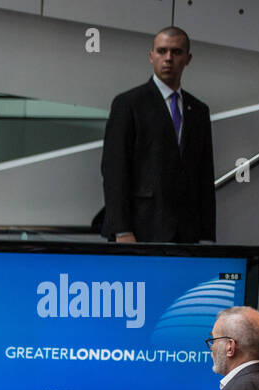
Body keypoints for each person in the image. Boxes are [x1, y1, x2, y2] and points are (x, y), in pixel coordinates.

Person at [100, 26, 214, 244]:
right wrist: (122, 229)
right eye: (162, 51)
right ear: (151, 57)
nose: (168, 58)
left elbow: (204, 174)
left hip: (187, 233)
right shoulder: (129, 103)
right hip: (141, 228)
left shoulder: (198, 110)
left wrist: (207, 233)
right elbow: (115, 170)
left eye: (176, 52)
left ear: (188, 59)